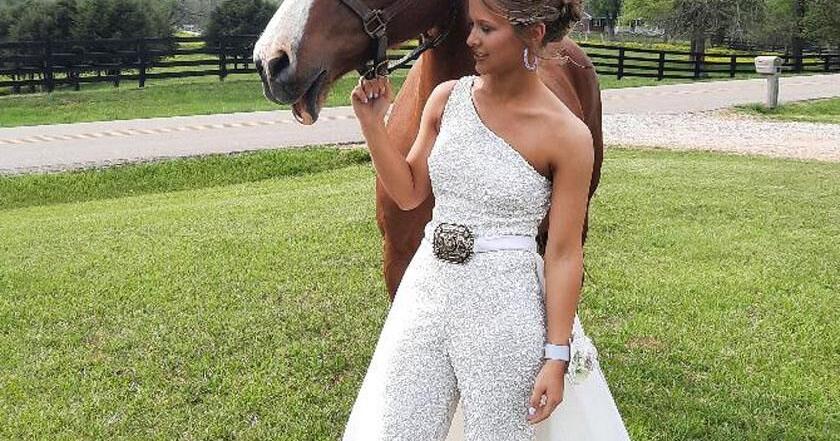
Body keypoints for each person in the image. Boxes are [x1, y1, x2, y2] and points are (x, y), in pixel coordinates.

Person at [342, 0, 630, 439]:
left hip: (506, 310)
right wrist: (372, 125)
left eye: (486, 29)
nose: (470, 39)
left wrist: (556, 354)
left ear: (533, 33)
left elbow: (564, 252)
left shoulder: (568, 136)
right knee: (398, 428)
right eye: (471, 25)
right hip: (426, 294)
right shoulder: (447, 99)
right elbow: (409, 191)